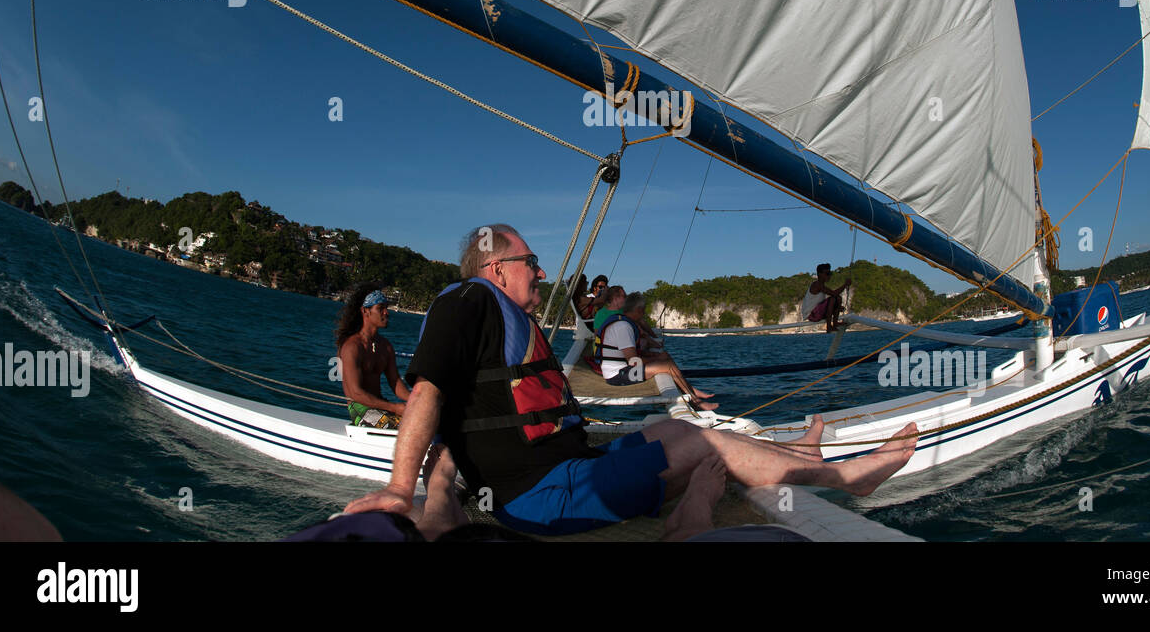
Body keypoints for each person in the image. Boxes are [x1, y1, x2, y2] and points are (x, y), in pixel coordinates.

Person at [344, 224, 918, 537]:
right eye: (530, 262)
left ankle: (794, 452)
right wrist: (403, 490)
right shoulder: (470, 301)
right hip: (548, 496)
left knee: (666, 429)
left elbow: (462, 415)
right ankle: (847, 478)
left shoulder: (502, 315)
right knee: (698, 439)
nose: (541, 271)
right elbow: (428, 394)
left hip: (570, 472)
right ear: (497, 269)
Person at [595, 290, 718, 411]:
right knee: (666, 366)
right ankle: (695, 402)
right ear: (638, 310)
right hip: (617, 375)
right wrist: (656, 358)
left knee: (665, 357)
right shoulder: (623, 327)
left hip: (621, 369)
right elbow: (633, 361)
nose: (643, 314)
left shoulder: (623, 321)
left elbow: (629, 354)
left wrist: (654, 355)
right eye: (643, 311)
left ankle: (690, 390)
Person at [334, 284, 411, 429]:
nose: (386, 313)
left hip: (381, 405)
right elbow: (355, 393)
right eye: (380, 308)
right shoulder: (352, 346)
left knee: (427, 419)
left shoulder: (386, 346)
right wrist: (394, 408)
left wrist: (416, 400)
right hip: (360, 409)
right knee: (407, 426)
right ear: (365, 311)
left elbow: (395, 383)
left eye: (386, 308)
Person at [800, 263, 851, 332]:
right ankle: (829, 327)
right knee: (833, 298)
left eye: (830, 273)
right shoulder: (817, 285)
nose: (829, 276)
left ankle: (835, 324)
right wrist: (845, 284)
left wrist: (837, 308)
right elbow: (834, 293)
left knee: (838, 298)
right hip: (811, 315)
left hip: (817, 313)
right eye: (827, 273)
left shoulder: (821, 285)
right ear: (819, 274)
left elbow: (825, 303)